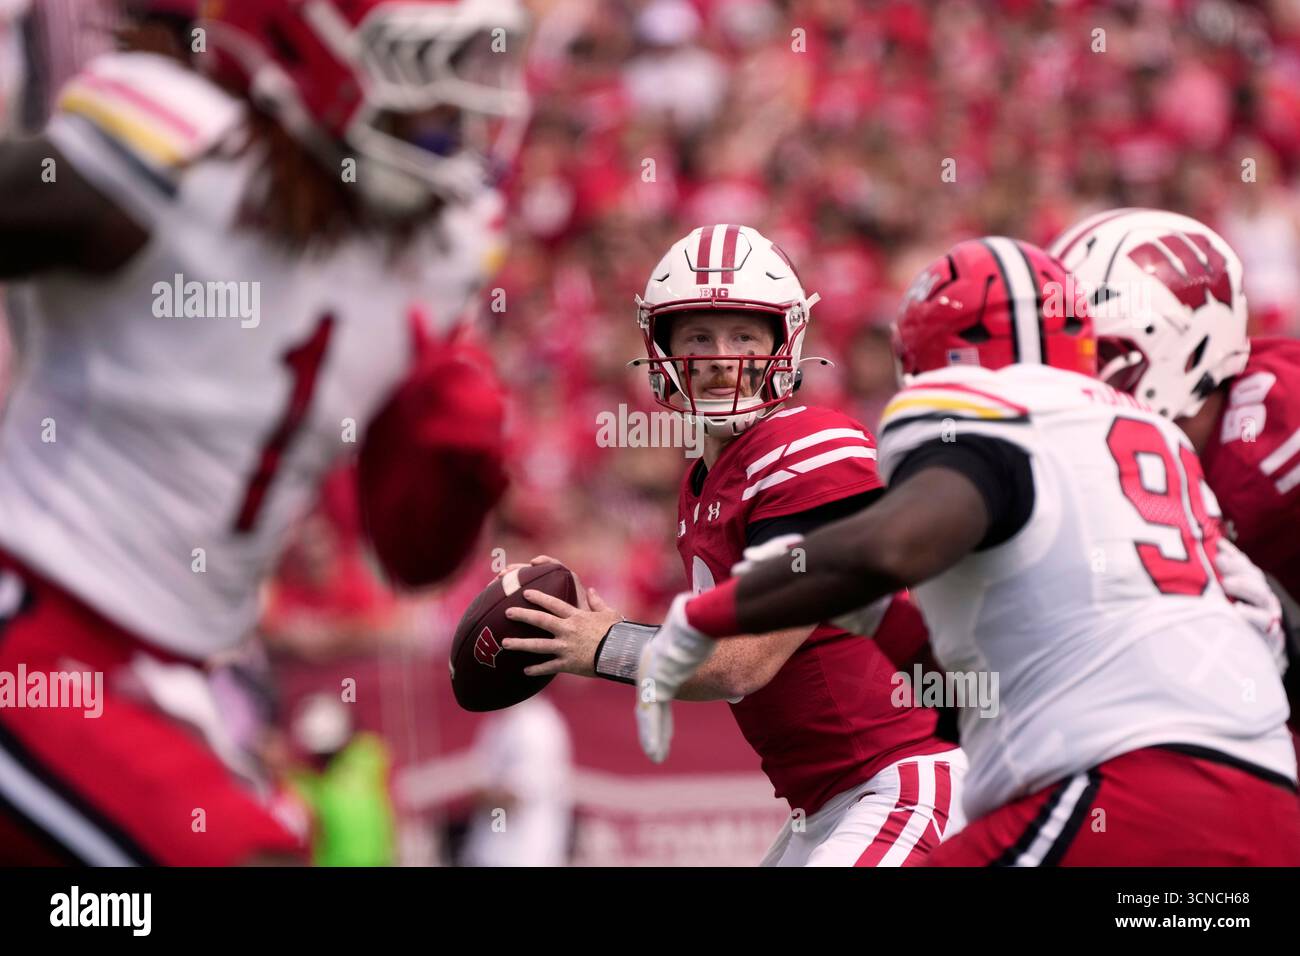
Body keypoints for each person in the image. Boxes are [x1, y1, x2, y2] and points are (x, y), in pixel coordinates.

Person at [0, 0, 525, 864]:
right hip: (38, 635)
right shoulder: (181, 162)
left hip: (180, 685)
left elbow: (412, 555)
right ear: (303, 52)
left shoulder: (429, 255)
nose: (454, 120)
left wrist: (453, 461)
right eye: (423, 81)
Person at [637, 236, 1300, 865]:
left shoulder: (989, 425)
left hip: (1128, 777)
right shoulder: (1163, 443)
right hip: (1268, 781)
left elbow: (885, 549)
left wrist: (706, 619)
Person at [496, 225, 965, 867]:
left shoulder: (810, 449)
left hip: (905, 779)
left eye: (743, 334)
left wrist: (603, 644)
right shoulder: (703, 482)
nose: (720, 357)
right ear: (661, 351)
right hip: (827, 803)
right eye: (697, 336)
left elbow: (743, 664)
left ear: (785, 342)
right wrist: (612, 631)